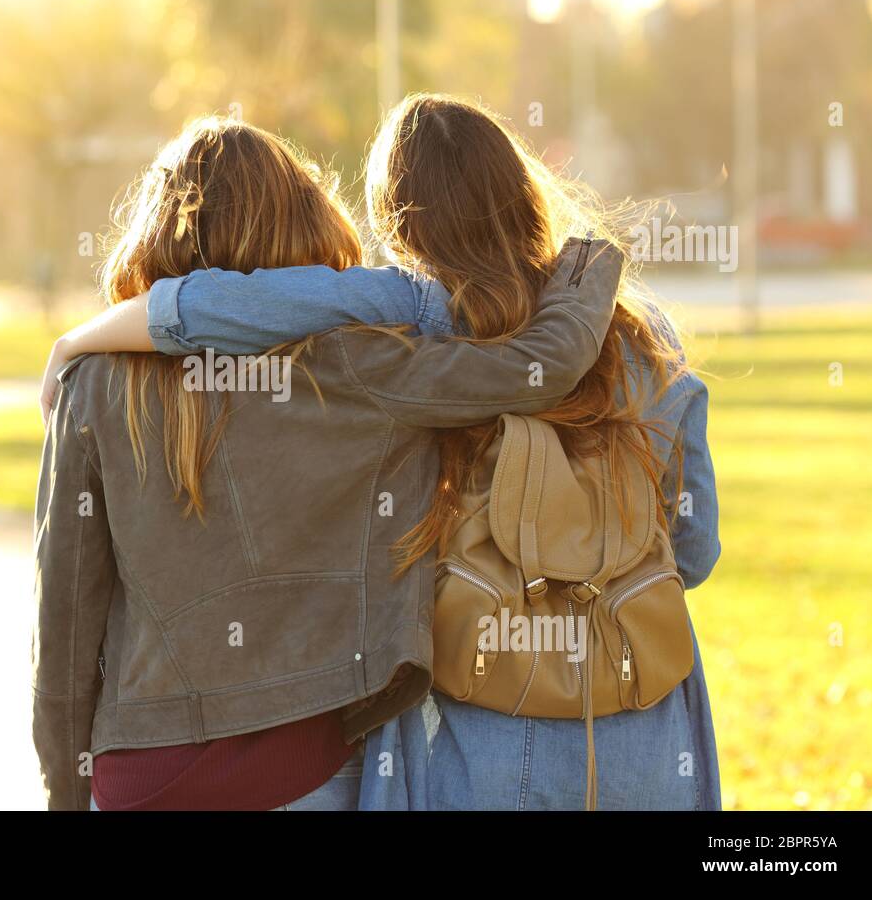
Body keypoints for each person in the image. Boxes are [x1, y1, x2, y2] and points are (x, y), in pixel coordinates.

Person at [42, 94, 721, 810]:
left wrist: (98, 332)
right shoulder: (647, 344)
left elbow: (255, 305)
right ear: (525, 193)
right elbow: (694, 549)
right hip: (639, 718)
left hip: (464, 728)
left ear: (400, 225)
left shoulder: (407, 320)